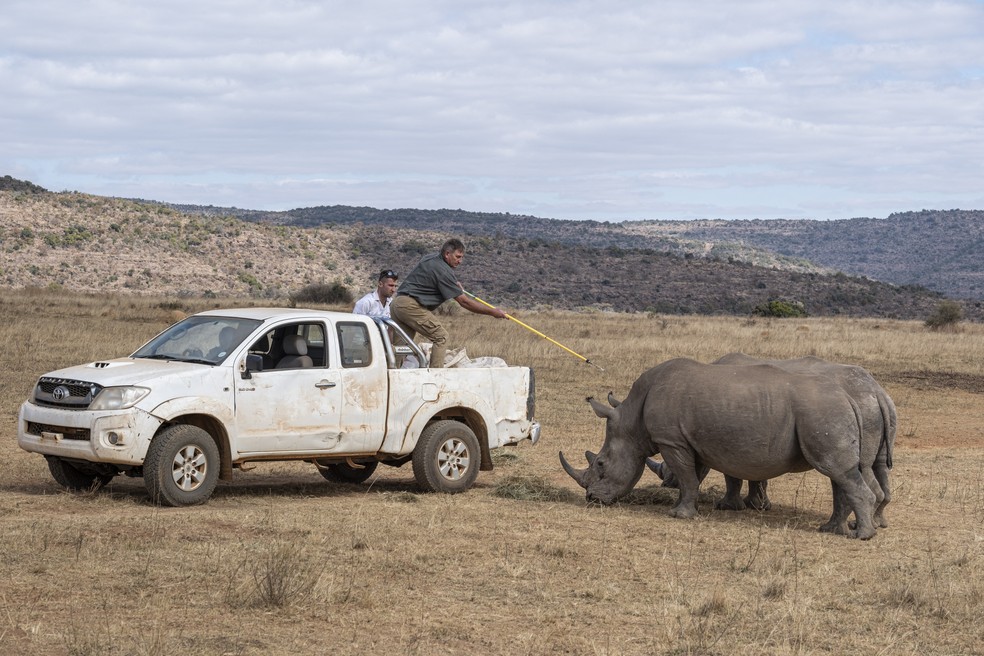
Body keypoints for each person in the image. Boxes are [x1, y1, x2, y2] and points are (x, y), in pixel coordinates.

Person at [390, 238, 506, 368]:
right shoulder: (444, 271)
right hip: (410, 306)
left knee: (401, 347)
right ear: (447, 254)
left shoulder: (430, 258)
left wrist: (453, 286)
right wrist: (494, 312)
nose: (460, 261)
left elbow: (432, 279)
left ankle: (391, 376)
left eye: (461, 257)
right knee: (441, 337)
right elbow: (464, 302)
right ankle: (436, 376)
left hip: (397, 303)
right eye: (457, 257)